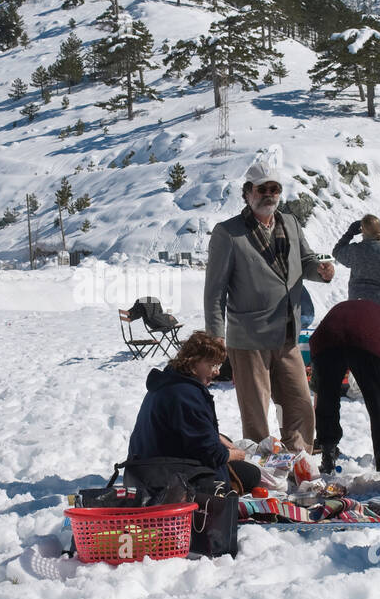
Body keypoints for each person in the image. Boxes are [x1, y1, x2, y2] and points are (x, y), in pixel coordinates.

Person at [204, 160, 335, 453]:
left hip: (287, 330)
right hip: (248, 337)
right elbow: (214, 292)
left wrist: (320, 272)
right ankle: (262, 462)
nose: (269, 195)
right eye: (262, 189)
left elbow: (306, 261)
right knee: (256, 410)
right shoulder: (228, 233)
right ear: (247, 193)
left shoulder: (290, 223)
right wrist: (215, 335)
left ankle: (298, 457)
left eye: (274, 189)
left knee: (300, 400)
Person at [128, 331, 262, 492]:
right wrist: (236, 455)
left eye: (218, 366)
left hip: (144, 465)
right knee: (252, 474)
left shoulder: (169, 382)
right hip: (164, 475)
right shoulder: (186, 395)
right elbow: (211, 454)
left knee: (223, 439)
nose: (217, 372)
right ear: (193, 363)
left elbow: (187, 427)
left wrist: (218, 439)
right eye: (212, 365)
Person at [309, 299, 380, 474]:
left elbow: (319, 380)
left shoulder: (339, 310)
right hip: (366, 342)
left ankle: (328, 453)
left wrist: (321, 394)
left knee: (327, 399)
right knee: (378, 403)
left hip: (326, 341)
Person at [332, 214, 380, 317]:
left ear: (362, 231)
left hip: (357, 303)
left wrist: (349, 233)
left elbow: (337, 252)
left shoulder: (355, 250)